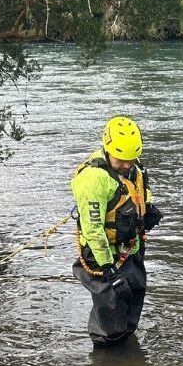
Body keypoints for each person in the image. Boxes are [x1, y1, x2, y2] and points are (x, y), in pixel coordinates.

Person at [71, 116, 163, 347]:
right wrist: (108, 269)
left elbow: (140, 190)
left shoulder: (134, 167)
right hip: (103, 255)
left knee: (134, 296)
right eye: (121, 161)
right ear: (107, 149)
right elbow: (93, 230)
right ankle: (107, 359)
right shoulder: (94, 180)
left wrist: (148, 209)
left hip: (130, 247)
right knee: (110, 310)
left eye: (130, 160)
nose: (126, 165)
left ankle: (128, 351)